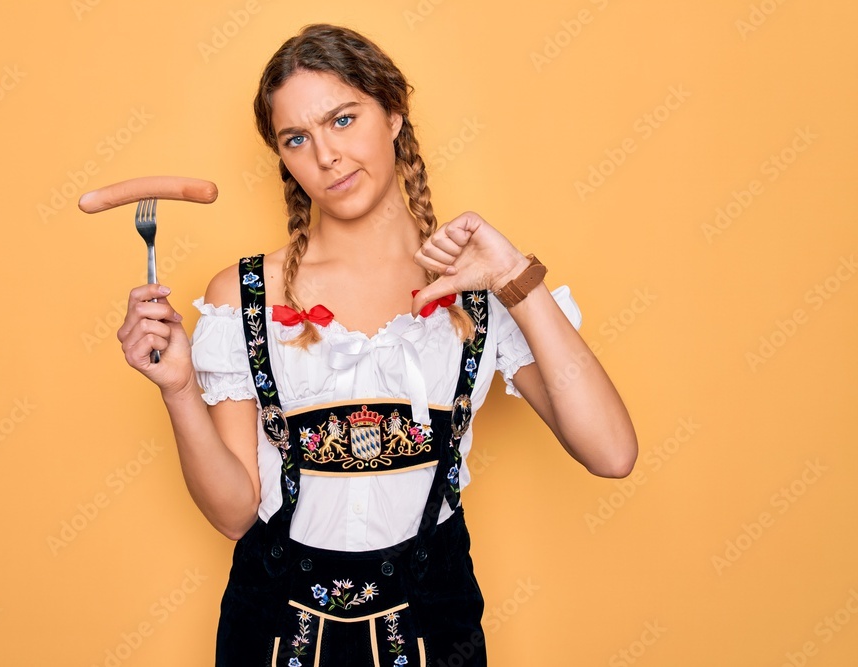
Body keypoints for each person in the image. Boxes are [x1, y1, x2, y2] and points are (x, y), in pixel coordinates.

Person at [117, 23, 637, 667]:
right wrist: (178, 392)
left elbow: (612, 452)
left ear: (393, 114)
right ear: (283, 158)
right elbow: (233, 514)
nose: (326, 156)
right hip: (275, 632)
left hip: (434, 631)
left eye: (343, 119)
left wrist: (513, 279)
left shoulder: (477, 286)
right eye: (298, 139)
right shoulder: (242, 296)